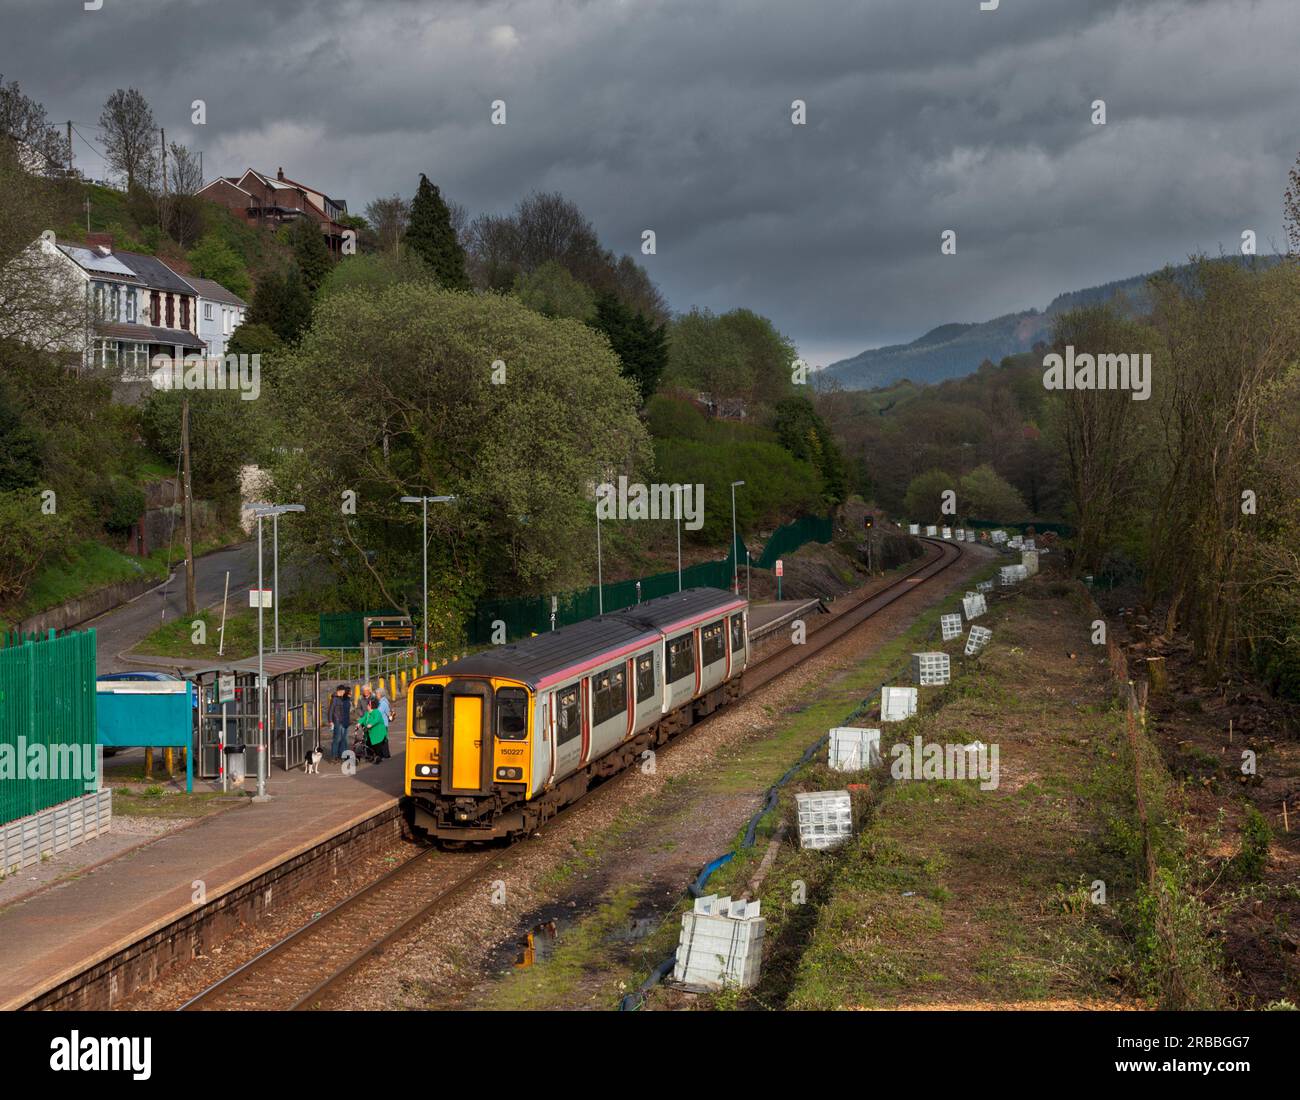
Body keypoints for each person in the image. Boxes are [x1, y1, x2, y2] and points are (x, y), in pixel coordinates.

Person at [359, 696, 390, 763]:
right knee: (368, 744)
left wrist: (371, 724)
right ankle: (371, 756)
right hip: (370, 732)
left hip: (378, 732)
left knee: (377, 745)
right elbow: (363, 718)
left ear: (370, 705)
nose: (366, 706)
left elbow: (376, 719)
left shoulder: (376, 712)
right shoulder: (367, 713)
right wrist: (359, 723)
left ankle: (379, 756)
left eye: (368, 705)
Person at [327, 685, 351, 760]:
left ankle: (342, 755)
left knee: (343, 739)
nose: (344, 693)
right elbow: (330, 710)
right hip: (337, 721)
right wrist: (330, 721)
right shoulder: (335, 699)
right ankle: (334, 756)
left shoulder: (343, 698)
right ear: (339, 691)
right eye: (343, 691)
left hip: (344, 721)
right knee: (337, 738)